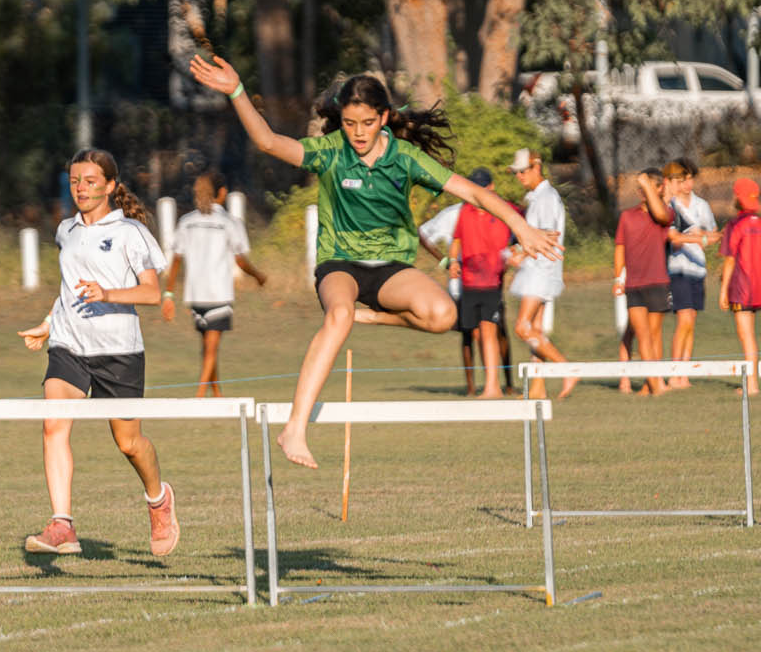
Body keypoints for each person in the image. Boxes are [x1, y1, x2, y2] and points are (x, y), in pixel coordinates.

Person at [187, 55, 558, 467]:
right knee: (340, 314)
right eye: (349, 123)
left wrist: (521, 228)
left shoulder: (404, 158)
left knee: (443, 315)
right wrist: (237, 90)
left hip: (389, 268)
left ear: (383, 117)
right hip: (340, 264)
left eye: (366, 123)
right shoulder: (329, 152)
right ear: (340, 121)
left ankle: (375, 317)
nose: (358, 133)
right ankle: (294, 428)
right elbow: (269, 142)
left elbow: (473, 194)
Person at [18, 150, 178, 557]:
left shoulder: (130, 233)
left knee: (129, 443)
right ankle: (62, 525)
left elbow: (151, 292)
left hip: (118, 351)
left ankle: (158, 499)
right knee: (53, 425)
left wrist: (108, 294)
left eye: (90, 181)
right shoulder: (66, 230)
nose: (81, 189)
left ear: (110, 185)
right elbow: (69, 289)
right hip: (69, 345)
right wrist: (49, 323)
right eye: (75, 181)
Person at [162, 169, 268, 396]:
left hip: (195, 293)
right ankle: (200, 396)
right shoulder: (230, 222)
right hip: (218, 292)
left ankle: (217, 393)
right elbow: (240, 260)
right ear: (222, 192)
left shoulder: (186, 222)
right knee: (211, 347)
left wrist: (169, 293)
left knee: (208, 347)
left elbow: (176, 259)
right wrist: (258, 276)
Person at [508, 148, 579, 401]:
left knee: (523, 327)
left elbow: (548, 235)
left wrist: (522, 254)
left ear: (536, 167)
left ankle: (567, 370)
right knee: (535, 329)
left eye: (523, 170)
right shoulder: (537, 197)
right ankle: (537, 389)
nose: (519, 176)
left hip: (541, 271)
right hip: (538, 270)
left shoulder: (546, 196)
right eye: (516, 172)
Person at [449, 167, 514, 399]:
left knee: (490, 331)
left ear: (491, 187)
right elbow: (456, 239)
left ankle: (493, 386)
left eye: (482, 187)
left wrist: (512, 258)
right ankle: (488, 384)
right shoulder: (465, 211)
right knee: (475, 334)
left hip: (491, 282)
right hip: (469, 282)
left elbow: (514, 241)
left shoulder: (500, 212)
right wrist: (451, 262)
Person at [612, 169, 677, 395]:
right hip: (634, 285)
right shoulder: (627, 216)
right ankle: (655, 383)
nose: (642, 191)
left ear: (659, 188)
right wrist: (618, 277)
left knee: (654, 333)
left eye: (648, 186)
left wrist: (649, 185)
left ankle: (653, 384)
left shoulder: (665, 213)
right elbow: (620, 247)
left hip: (657, 281)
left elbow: (660, 215)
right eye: (640, 188)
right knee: (642, 335)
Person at [663, 159, 721, 388]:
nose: (687, 183)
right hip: (677, 269)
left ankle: (684, 373)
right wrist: (700, 237)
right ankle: (675, 372)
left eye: (689, 178)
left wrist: (704, 237)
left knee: (691, 321)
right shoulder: (671, 205)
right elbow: (674, 238)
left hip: (698, 268)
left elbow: (713, 233)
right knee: (684, 319)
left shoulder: (701, 205)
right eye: (681, 179)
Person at [415, 196, 479, 394]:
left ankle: (503, 386)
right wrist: (444, 261)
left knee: (495, 330)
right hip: (461, 284)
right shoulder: (452, 214)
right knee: (470, 333)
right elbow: (421, 234)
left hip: (490, 281)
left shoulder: (490, 209)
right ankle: (471, 388)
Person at [718, 177, 761, 395]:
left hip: (740, 286)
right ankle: (753, 383)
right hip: (756, 285)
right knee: (750, 335)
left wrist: (723, 291)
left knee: (745, 335)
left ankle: (752, 385)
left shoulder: (735, 225)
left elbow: (729, 259)